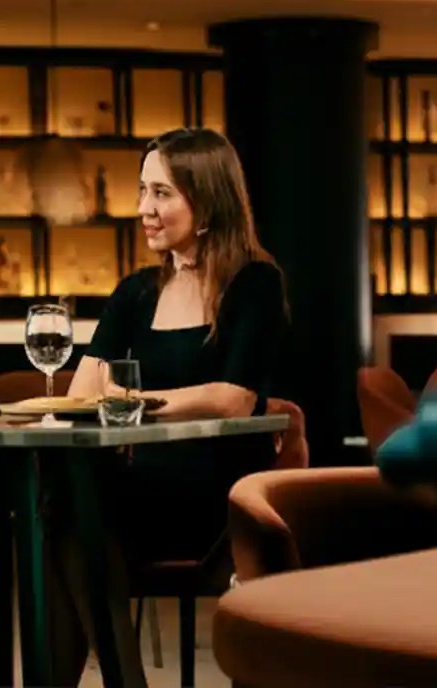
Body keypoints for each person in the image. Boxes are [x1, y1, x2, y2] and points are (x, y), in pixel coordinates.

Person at [50, 127, 292, 686]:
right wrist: (118, 402)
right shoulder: (136, 292)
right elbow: (81, 393)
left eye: (161, 194)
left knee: (67, 512)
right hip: (138, 490)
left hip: (215, 500)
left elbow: (232, 398)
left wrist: (130, 402)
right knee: (61, 511)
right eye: (142, 192)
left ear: (206, 199)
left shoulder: (253, 282)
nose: (143, 210)